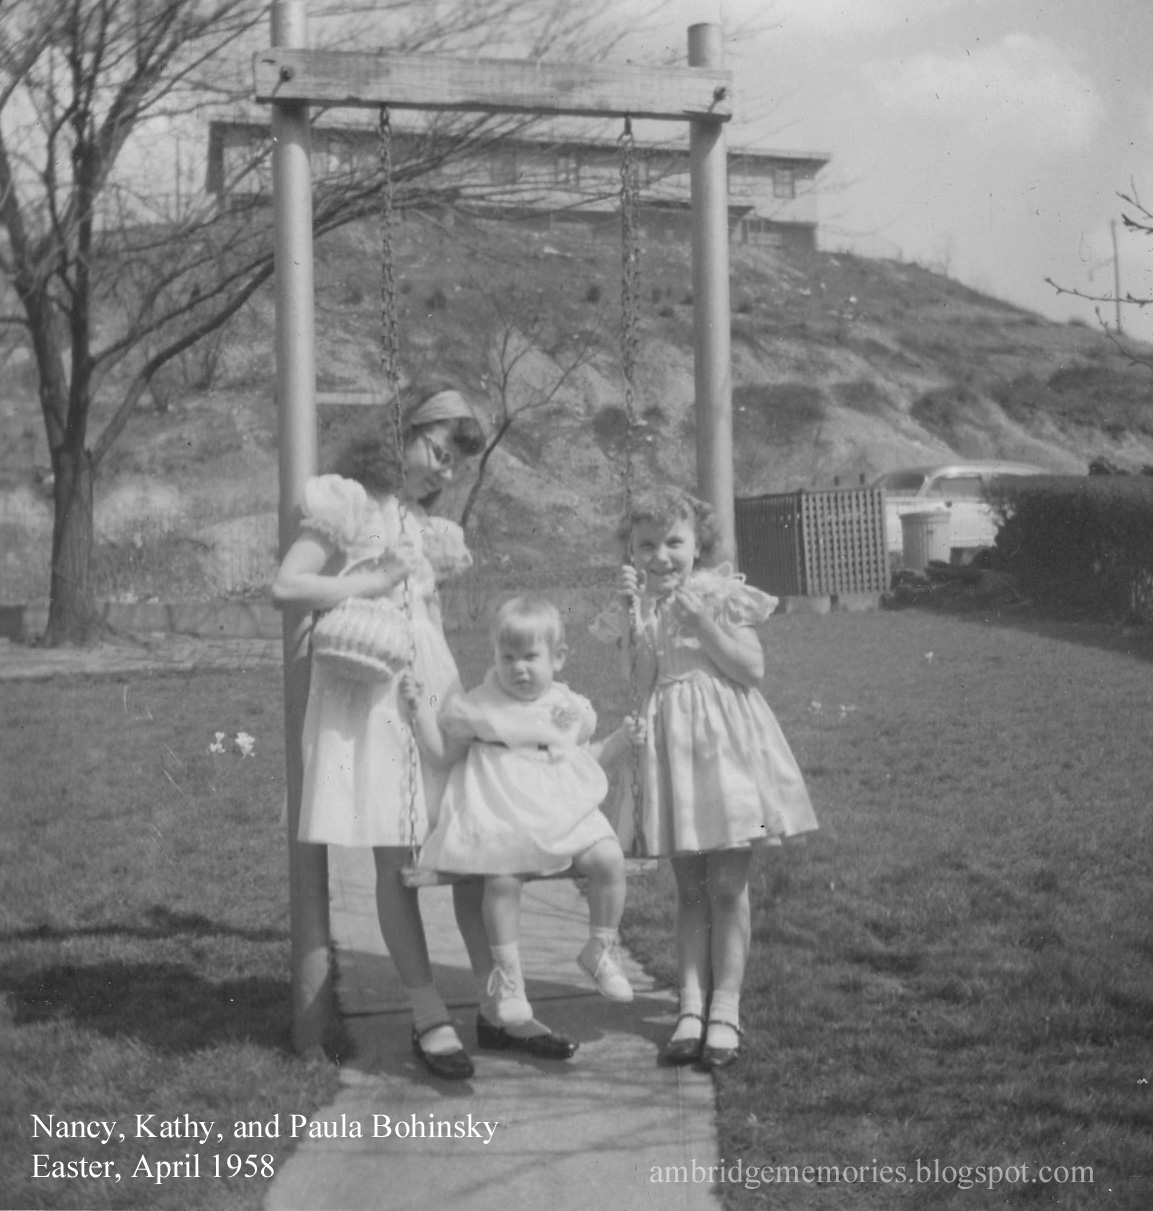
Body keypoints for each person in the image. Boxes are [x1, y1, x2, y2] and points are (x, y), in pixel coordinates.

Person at [272, 384, 569, 1079]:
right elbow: (288, 586)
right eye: (437, 453)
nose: (443, 471)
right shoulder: (347, 502)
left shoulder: (422, 525)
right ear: (399, 433)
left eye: (453, 464)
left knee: (471, 845)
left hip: (431, 690)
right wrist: (369, 581)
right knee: (395, 859)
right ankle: (428, 1013)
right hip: (371, 697)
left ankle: (503, 1005)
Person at [590, 485, 818, 1071]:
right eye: (647, 545)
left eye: (674, 542)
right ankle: (690, 1007)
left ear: (698, 545)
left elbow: (752, 669)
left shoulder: (718, 594)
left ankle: (726, 1008)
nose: (661, 556)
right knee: (689, 889)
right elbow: (637, 682)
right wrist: (630, 614)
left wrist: (702, 620)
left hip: (732, 754)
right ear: (632, 552)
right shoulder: (639, 603)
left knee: (729, 887)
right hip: (673, 749)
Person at [406, 596, 643, 1051]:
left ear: (558, 658)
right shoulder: (478, 706)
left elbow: (582, 757)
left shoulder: (565, 705)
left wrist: (618, 740)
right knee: (502, 878)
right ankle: (508, 980)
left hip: (560, 809)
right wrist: (418, 710)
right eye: (506, 657)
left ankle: (600, 948)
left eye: (530, 657)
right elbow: (442, 754)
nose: (518, 669)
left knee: (609, 858)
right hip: (504, 812)